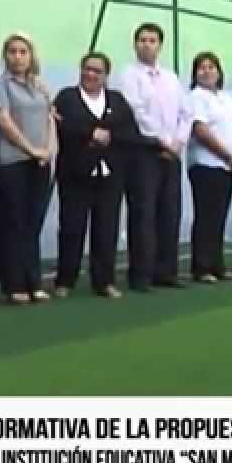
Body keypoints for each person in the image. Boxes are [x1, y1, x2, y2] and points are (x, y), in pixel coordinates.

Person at [52, 52, 148, 298]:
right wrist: (90, 133)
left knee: (107, 227)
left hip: (110, 174)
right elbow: (61, 125)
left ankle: (104, 281)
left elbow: (129, 133)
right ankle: (65, 280)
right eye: (87, 69)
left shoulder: (117, 101)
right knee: (72, 227)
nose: (90, 74)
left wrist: (108, 137)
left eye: (97, 71)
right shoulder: (67, 97)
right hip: (75, 173)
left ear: (106, 76)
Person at [116, 23, 192, 291]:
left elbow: (186, 112)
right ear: (135, 44)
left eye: (152, 40)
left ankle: (166, 271)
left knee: (169, 211)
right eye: (142, 40)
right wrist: (161, 139)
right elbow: (136, 111)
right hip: (144, 151)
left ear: (160, 45)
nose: (147, 44)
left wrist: (179, 141)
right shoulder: (129, 76)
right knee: (143, 212)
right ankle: (141, 275)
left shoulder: (171, 78)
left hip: (172, 151)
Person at [0, 33, 57, 304]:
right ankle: (14, 284)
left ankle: (34, 281)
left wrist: (47, 150)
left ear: (31, 56)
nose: (17, 57)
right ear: (5, 56)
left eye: (23, 52)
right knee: (15, 222)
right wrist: (31, 149)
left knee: (33, 223)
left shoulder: (39, 86)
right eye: (12, 52)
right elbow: (4, 122)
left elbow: (50, 118)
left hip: (39, 163)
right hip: (12, 162)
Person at [186, 52, 232, 284]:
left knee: (219, 217)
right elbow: (200, 130)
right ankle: (201, 267)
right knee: (206, 216)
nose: (207, 71)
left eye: (211, 67)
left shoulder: (226, 97)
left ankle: (217, 265)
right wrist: (226, 154)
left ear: (219, 72)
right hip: (206, 164)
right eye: (202, 67)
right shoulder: (196, 97)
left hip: (228, 166)